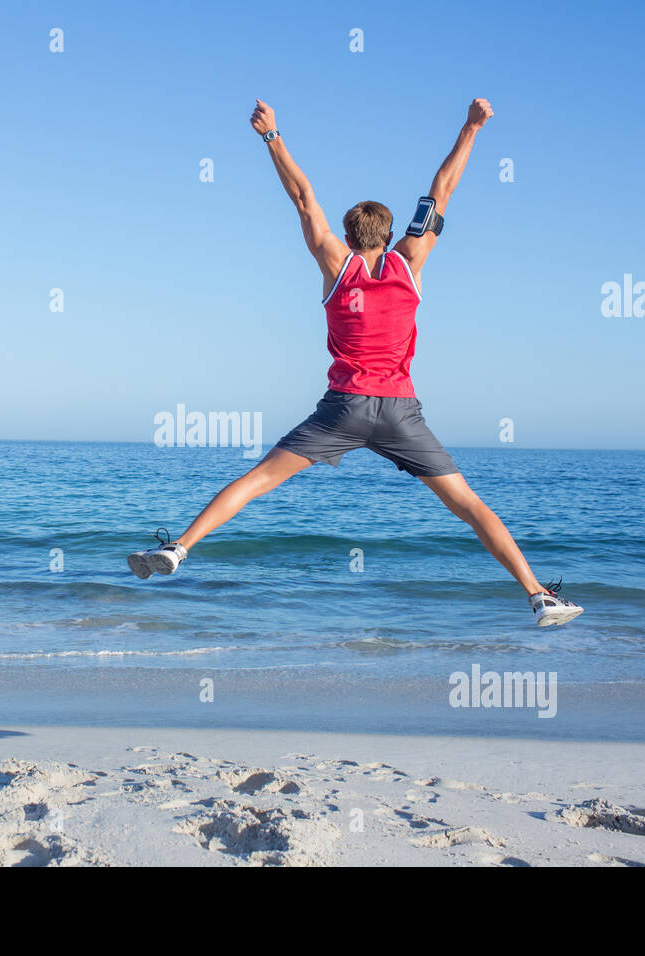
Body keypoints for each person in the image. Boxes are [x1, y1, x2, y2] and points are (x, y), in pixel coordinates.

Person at [128, 97, 583, 627]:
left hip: (342, 408)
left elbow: (303, 198)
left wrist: (272, 136)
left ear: (347, 235)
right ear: (389, 235)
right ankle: (537, 595)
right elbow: (444, 188)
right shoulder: (411, 261)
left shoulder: (335, 264)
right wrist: (471, 127)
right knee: (468, 505)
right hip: (398, 410)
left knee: (258, 479)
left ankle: (180, 549)